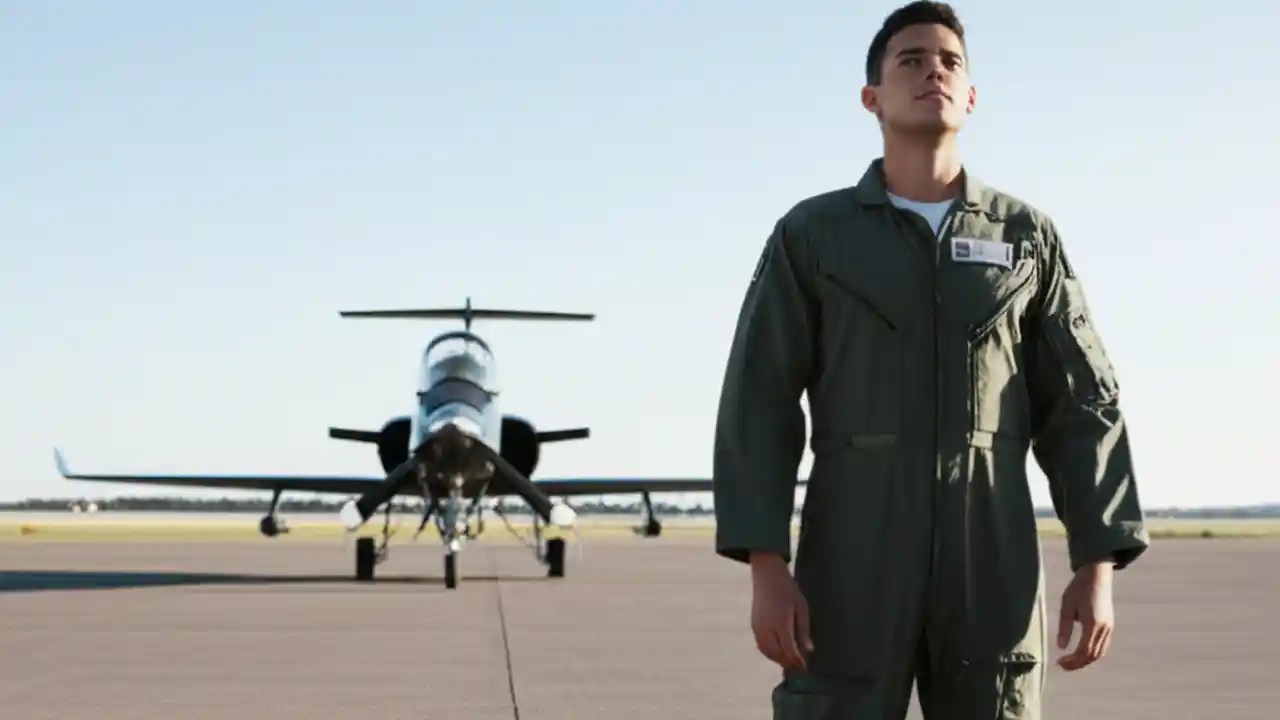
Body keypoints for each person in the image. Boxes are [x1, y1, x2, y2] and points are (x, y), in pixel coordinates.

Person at [711, 2, 1150, 718]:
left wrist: (1095, 563)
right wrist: (767, 565)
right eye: (910, 60)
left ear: (971, 96)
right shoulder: (813, 235)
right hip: (850, 558)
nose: (932, 72)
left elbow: (1083, 403)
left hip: (992, 559)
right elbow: (757, 398)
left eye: (949, 62)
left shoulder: (1025, 238)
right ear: (872, 98)